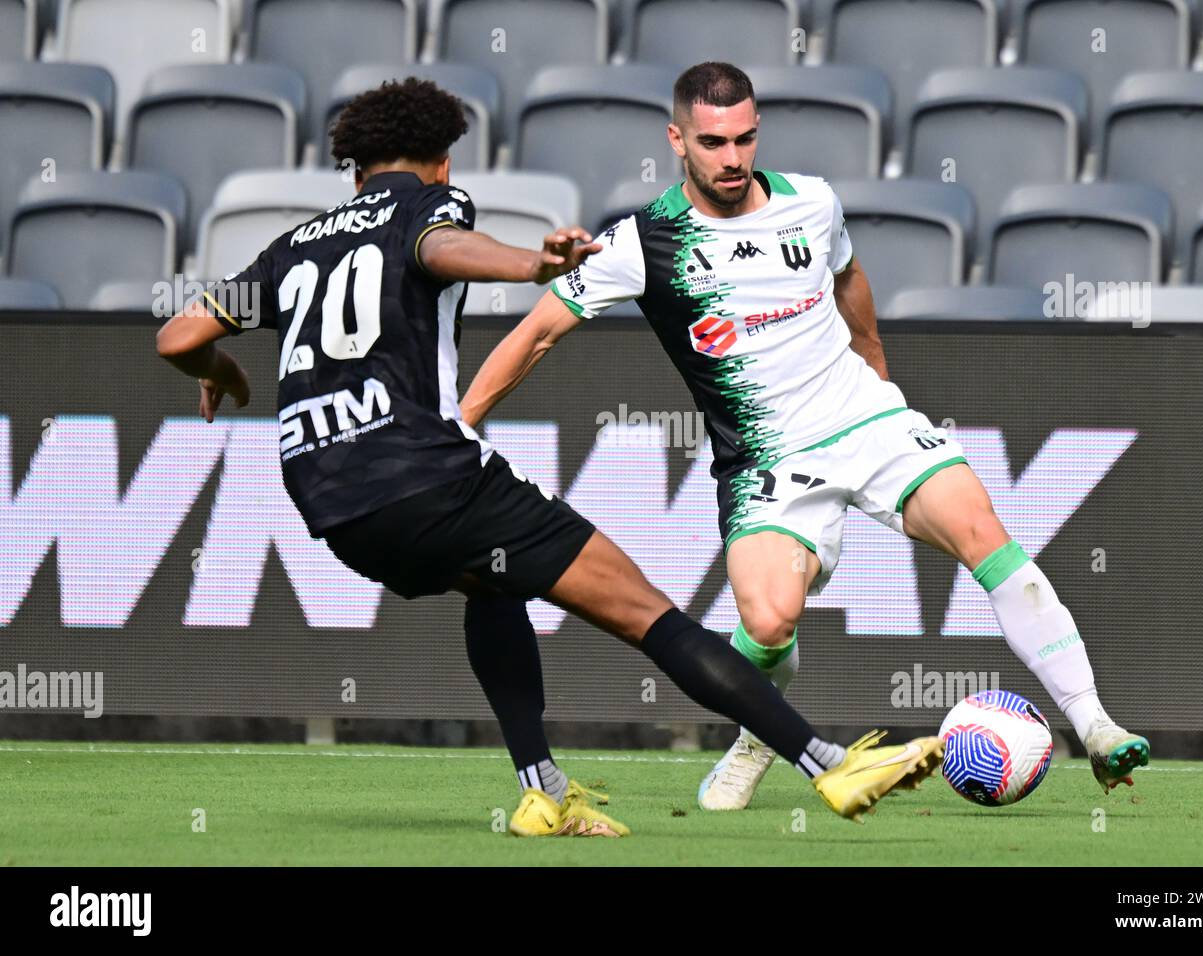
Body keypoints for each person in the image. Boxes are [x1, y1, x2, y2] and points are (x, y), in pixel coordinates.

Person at [155, 77, 942, 837]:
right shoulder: (428, 203)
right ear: (441, 162)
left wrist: (223, 373)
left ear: (353, 171)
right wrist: (531, 266)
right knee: (650, 617)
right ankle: (828, 763)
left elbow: (178, 336)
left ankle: (542, 792)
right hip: (428, 474)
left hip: (330, 499)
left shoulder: (293, 249)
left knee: (491, 580)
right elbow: (443, 248)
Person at [459, 62, 1149, 812]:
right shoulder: (643, 242)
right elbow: (536, 336)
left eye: (745, 138)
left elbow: (850, 278)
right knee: (767, 618)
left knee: (984, 532)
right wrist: (461, 426)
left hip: (868, 420)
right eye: (714, 142)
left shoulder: (812, 202)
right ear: (677, 139)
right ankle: (761, 735)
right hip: (769, 459)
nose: (732, 158)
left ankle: (1096, 725)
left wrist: (879, 377)